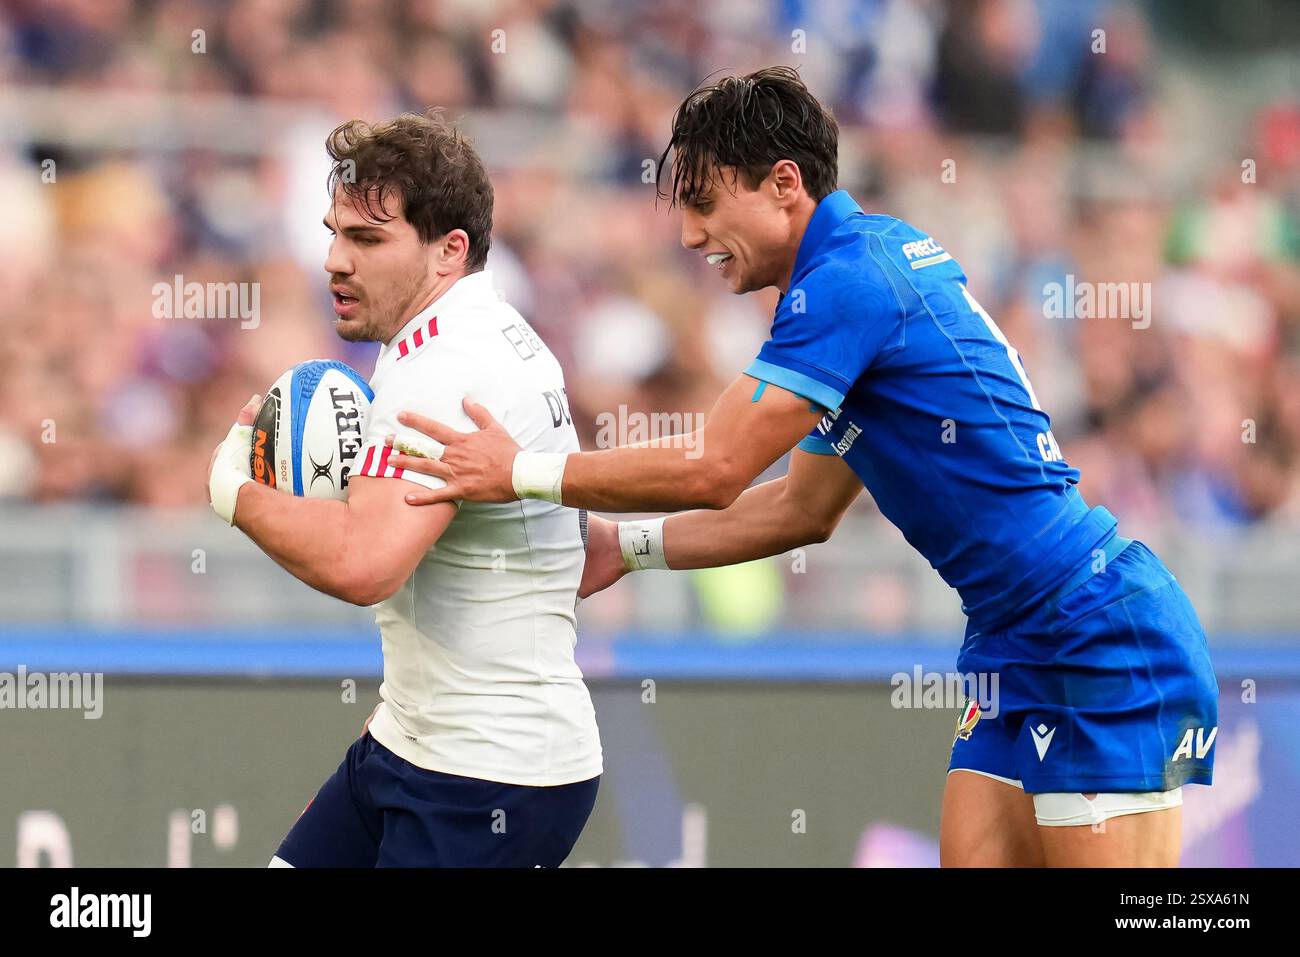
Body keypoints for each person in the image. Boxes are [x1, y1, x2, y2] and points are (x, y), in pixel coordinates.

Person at [382, 68, 1218, 867]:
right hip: (1011, 639)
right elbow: (799, 510)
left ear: (785, 184)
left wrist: (521, 471)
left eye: (705, 203)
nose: (688, 234)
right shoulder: (852, 269)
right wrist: (627, 547)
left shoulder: (846, 284)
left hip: (1095, 627)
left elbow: (716, 465)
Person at [205, 110, 601, 867]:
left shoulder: (448, 367)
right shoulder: (462, 333)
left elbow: (365, 562)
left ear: (450, 250)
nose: (333, 260)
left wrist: (232, 491)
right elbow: (549, 550)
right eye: (333, 233)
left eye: (366, 239)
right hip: (418, 740)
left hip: (487, 777)